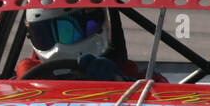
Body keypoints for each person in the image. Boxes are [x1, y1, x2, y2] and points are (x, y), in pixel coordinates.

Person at [16, 7, 144, 80]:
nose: (58, 47)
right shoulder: (25, 81)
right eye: (43, 35)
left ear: (95, 25)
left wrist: (119, 82)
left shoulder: (130, 78)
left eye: (67, 32)